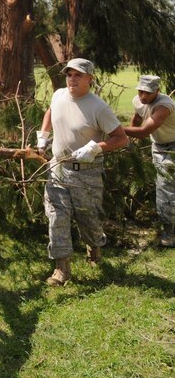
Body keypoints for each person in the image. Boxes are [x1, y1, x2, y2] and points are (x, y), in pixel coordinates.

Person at [36, 58, 128, 286]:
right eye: (69, 74)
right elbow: (50, 111)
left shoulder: (98, 107)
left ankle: (94, 247)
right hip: (57, 168)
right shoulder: (58, 95)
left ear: (90, 78)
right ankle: (61, 269)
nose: (72, 79)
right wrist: (43, 137)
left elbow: (121, 138)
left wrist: (96, 147)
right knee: (56, 217)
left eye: (78, 75)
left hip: (86, 173)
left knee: (89, 220)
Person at [122, 75, 175, 247]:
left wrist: (116, 130)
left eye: (147, 93)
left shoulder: (164, 106)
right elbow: (137, 119)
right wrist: (131, 142)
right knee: (166, 187)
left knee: (166, 188)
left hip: (172, 147)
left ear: (157, 92)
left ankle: (169, 232)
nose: (143, 96)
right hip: (158, 146)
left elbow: (144, 131)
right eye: (140, 91)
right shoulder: (138, 100)